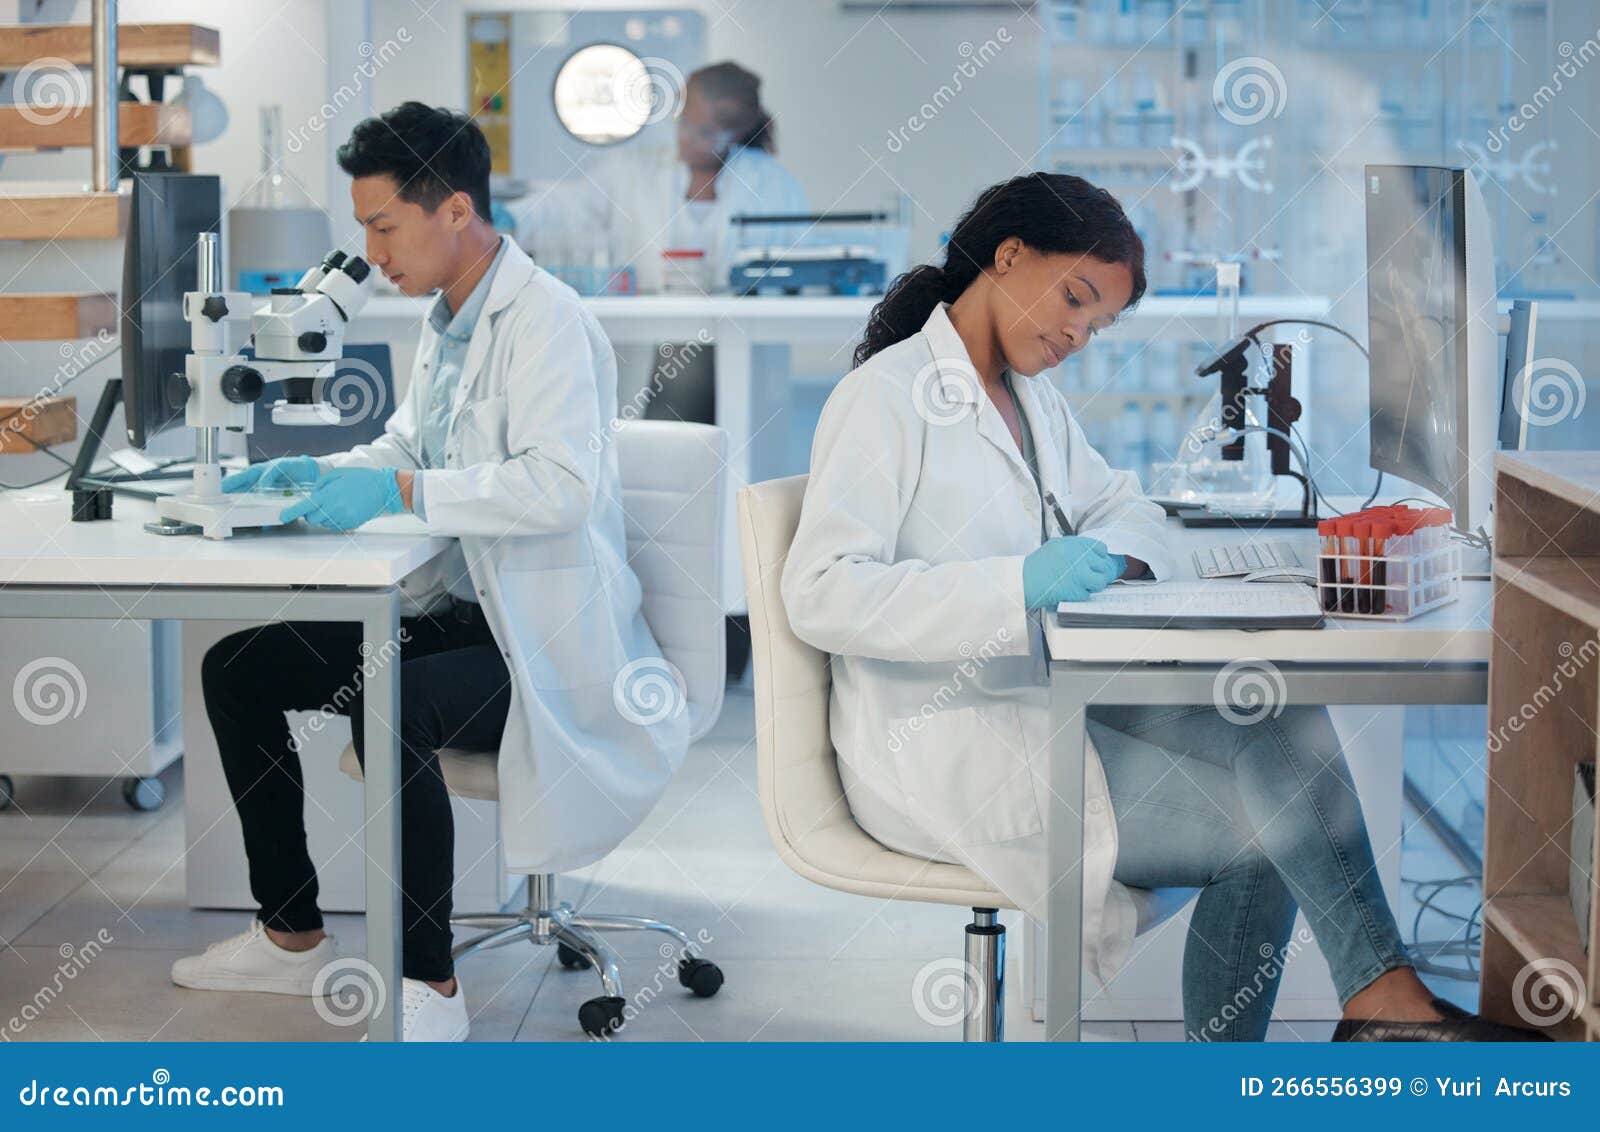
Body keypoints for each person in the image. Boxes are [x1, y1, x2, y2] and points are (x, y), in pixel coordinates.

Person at [780, 172, 1544, 1042]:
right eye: (1074, 299)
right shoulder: (887, 397)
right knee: (1267, 840)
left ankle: (1380, 996)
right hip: (944, 742)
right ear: (1008, 253)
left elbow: (1119, 501)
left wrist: (1126, 554)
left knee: (1276, 708)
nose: (1077, 333)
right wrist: (1015, 583)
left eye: (1097, 322)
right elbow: (821, 591)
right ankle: (1300, 1047)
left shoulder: (1031, 398)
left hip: (1044, 703)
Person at [171, 102, 690, 1042]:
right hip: (462, 609)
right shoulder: (448, 317)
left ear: (454, 210)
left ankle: (431, 985)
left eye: (381, 227)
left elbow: (560, 487)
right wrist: (320, 474)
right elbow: (412, 442)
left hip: (541, 636)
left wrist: (404, 490)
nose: (370, 252)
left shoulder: (548, 323)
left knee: (393, 703)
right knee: (239, 668)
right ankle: (290, 940)